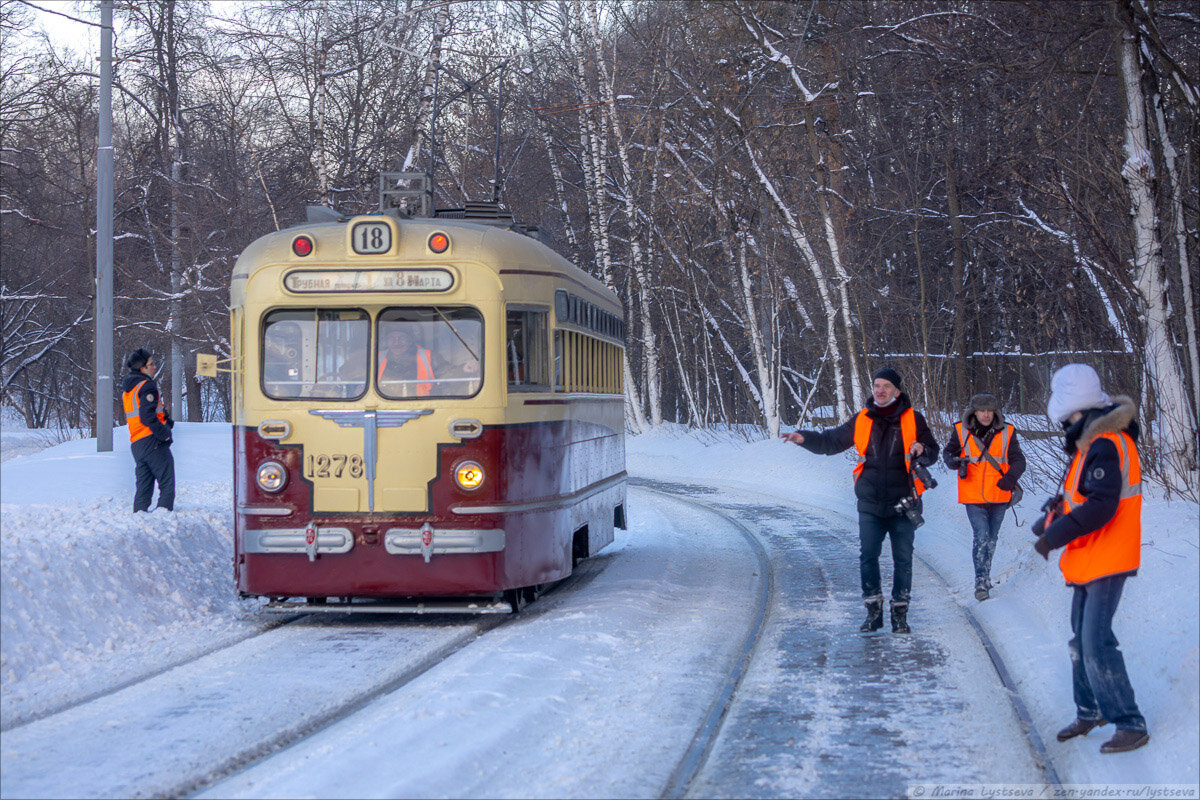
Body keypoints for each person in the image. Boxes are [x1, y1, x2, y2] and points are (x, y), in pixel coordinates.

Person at [1033, 363, 1149, 754]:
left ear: (1077, 410)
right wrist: (1056, 509)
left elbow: (1102, 506)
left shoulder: (1105, 443)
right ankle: (1090, 709)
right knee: (1081, 640)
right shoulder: (1094, 442)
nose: (1064, 423)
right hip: (1092, 555)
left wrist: (1054, 536)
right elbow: (1082, 496)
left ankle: (1130, 722)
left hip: (1108, 554)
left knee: (1096, 641)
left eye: (1066, 416)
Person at [783, 368, 939, 634]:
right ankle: (873, 613)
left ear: (897, 391)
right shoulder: (863, 419)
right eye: (876, 385)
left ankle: (900, 615)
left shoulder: (914, 418)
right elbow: (830, 442)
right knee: (868, 557)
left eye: (886, 386)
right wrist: (804, 438)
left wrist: (922, 449)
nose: (879, 390)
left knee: (903, 559)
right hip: (870, 503)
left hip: (905, 502)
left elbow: (933, 452)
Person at [943, 393, 1027, 601]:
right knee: (981, 536)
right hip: (972, 496)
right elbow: (947, 455)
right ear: (974, 412)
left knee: (991, 538)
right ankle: (980, 581)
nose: (986, 414)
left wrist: (1010, 479)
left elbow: (1019, 461)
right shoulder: (960, 430)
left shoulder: (1008, 431)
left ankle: (986, 575)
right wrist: (956, 462)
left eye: (990, 410)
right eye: (982, 410)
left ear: (995, 412)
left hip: (999, 495)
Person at [121, 348, 175, 512]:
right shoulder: (147, 386)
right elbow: (146, 416)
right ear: (142, 368)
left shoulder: (129, 390)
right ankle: (164, 518)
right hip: (152, 441)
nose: (154, 366)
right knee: (167, 483)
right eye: (151, 364)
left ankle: (140, 519)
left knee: (144, 487)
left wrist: (166, 419)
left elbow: (143, 413)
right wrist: (164, 434)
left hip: (137, 443)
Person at [377, 326, 434, 397]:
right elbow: (362, 380)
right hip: (384, 405)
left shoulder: (430, 357)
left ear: (410, 341)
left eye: (402, 337)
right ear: (387, 341)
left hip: (424, 404)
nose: (396, 342)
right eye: (391, 338)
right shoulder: (376, 358)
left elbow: (447, 376)